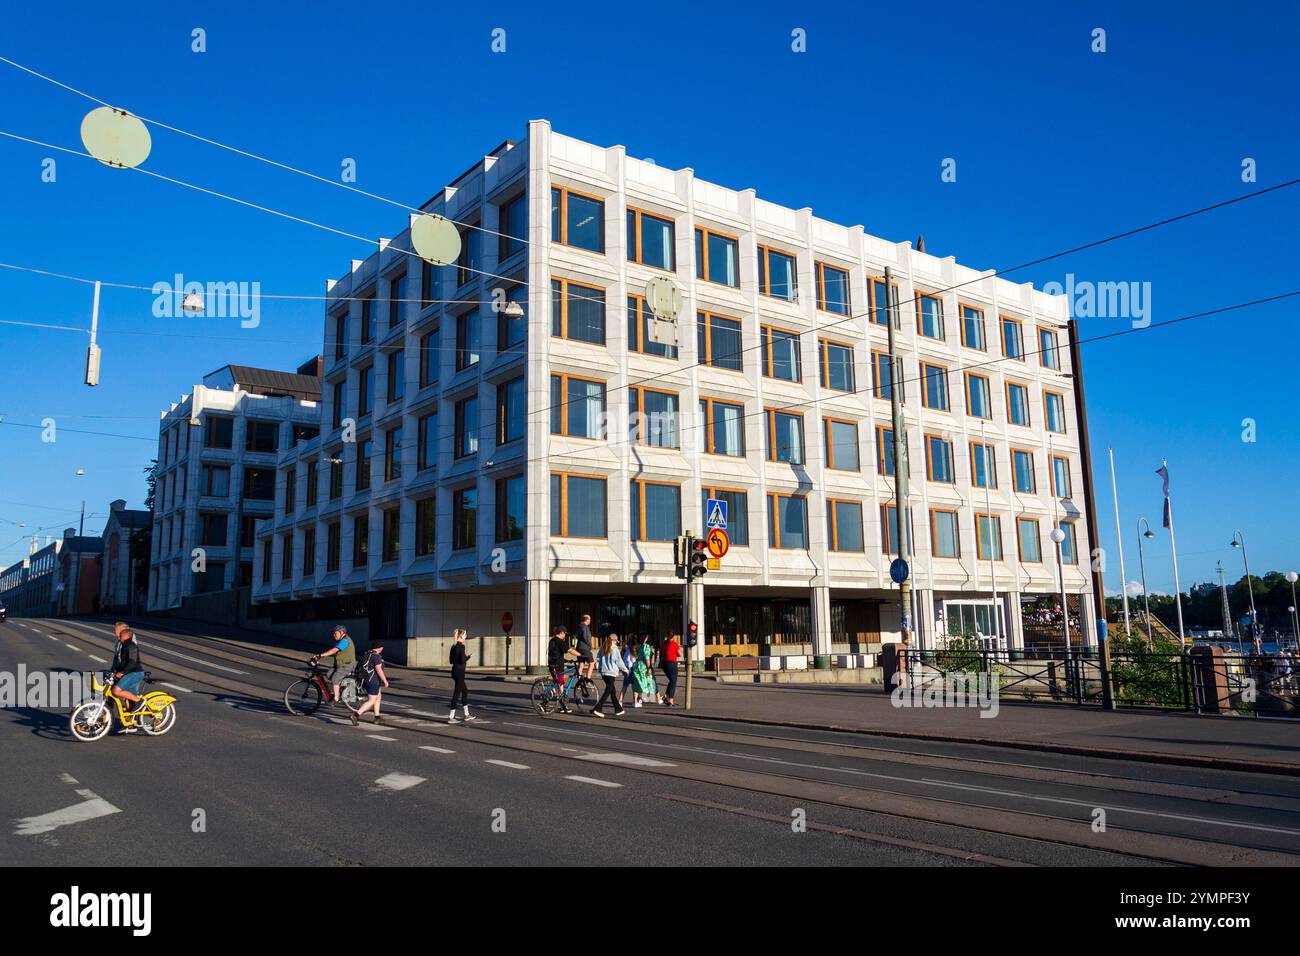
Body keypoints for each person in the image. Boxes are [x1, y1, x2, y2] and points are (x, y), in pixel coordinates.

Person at [109, 626, 148, 721]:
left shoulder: (131, 646)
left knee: (116, 691)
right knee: (128, 699)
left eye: (120, 635)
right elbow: (123, 663)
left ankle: (139, 701)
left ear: (126, 636)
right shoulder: (124, 646)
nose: (118, 637)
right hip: (130, 673)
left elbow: (132, 662)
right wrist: (115, 672)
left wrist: (122, 673)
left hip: (135, 673)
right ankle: (130, 723)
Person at [315, 624, 357, 705]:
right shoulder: (341, 641)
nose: (334, 635)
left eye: (335, 633)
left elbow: (334, 650)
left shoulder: (345, 641)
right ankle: (342, 689)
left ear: (342, 633)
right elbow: (331, 650)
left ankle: (336, 699)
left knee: (335, 679)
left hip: (347, 665)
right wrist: (321, 656)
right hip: (340, 665)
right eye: (333, 633)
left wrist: (321, 655)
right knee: (329, 674)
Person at [350, 642, 389, 725]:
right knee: (371, 701)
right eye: (382, 647)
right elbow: (379, 669)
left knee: (378, 698)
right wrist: (385, 681)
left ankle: (377, 717)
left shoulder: (368, 654)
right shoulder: (376, 656)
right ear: (380, 648)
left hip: (366, 680)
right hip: (373, 681)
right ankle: (355, 715)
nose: (382, 649)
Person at [592, 634, 628, 718]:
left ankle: (618, 709)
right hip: (611, 673)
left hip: (604, 673)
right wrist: (625, 669)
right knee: (607, 691)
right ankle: (598, 708)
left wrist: (601, 667)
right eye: (616, 641)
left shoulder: (602, 648)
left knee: (612, 691)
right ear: (613, 640)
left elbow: (598, 659)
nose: (616, 643)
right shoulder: (615, 649)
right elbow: (619, 661)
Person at [448, 628, 476, 723]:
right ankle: (451, 717)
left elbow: (451, 661)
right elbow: (462, 660)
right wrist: (468, 657)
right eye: (464, 635)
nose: (466, 637)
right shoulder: (461, 647)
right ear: (460, 636)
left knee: (465, 691)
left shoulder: (453, 646)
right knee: (457, 693)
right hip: (460, 672)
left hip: (454, 671)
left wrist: (462, 658)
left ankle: (466, 714)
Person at [547, 626, 576, 714]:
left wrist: (567, 660)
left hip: (553, 665)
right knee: (559, 686)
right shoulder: (559, 641)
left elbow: (557, 653)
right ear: (561, 633)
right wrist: (580, 655)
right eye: (565, 634)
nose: (565, 636)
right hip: (558, 667)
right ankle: (544, 702)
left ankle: (562, 706)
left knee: (560, 685)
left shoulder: (552, 640)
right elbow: (569, 650)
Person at [634, 636, 659, 706]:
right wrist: (649, 668)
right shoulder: (647, 647)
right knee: (647, 682)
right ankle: (645, 698)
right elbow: (647, 658)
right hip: (644, 666)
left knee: (639, 682)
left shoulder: (637, 646)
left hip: (637, 665)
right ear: (645, 639)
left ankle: (638, 699)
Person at [660, 632, 681, 707]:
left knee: (671, 680)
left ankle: (666, 696)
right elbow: (679, 654)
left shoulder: (663, 643)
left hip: (664, 663)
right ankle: (670, 699)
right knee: (673, 681)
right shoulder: (674, 644)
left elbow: (661, 652)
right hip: (672, 663)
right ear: (673, 637)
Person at [575, 613, 596, 685]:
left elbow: (577, 636)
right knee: (592, 663)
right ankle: (588, 680)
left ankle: (580, 681)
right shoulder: (585, 627)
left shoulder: (579, 626)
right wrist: (590, 645)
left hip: (579, 647)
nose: (590, 620)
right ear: (586, 619)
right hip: (585, 648)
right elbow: (586, 637)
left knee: (581, 664)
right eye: (589, 619)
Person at [619, 635, 639, 706]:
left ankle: (620, 700)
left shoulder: (625, 647)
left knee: (625, 685)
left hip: (626, 667)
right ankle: (635, 702)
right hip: (632, 668)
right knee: (635, 685)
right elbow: (631, 659)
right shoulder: (632, 648)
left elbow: (623, 657)